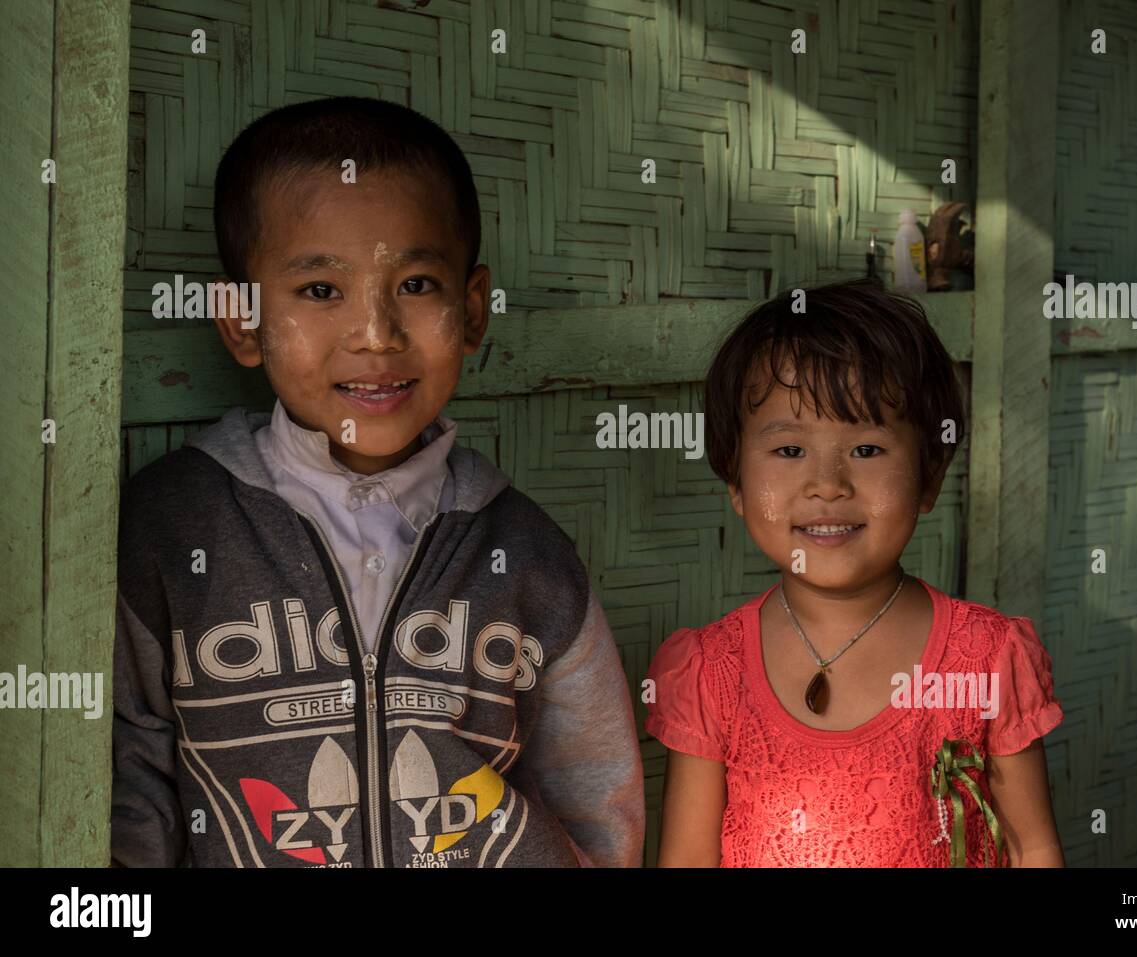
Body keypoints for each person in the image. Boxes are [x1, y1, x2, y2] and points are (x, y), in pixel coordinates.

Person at [111, 97, 644, 868]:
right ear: (242, 321)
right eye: (321, 291)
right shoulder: (172, 530)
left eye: (418, 284)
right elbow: (131, 786)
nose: (376, 333)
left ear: (472, 308)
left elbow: (595, 798)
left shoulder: (525, 554)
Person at [646, 279, 1064, 867]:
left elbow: (1034, 848)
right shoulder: (711, 674)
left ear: (930, 476)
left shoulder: (989, 659)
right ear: (735, 481)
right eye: (789, 451)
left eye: (866, 450)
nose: (828, 484)